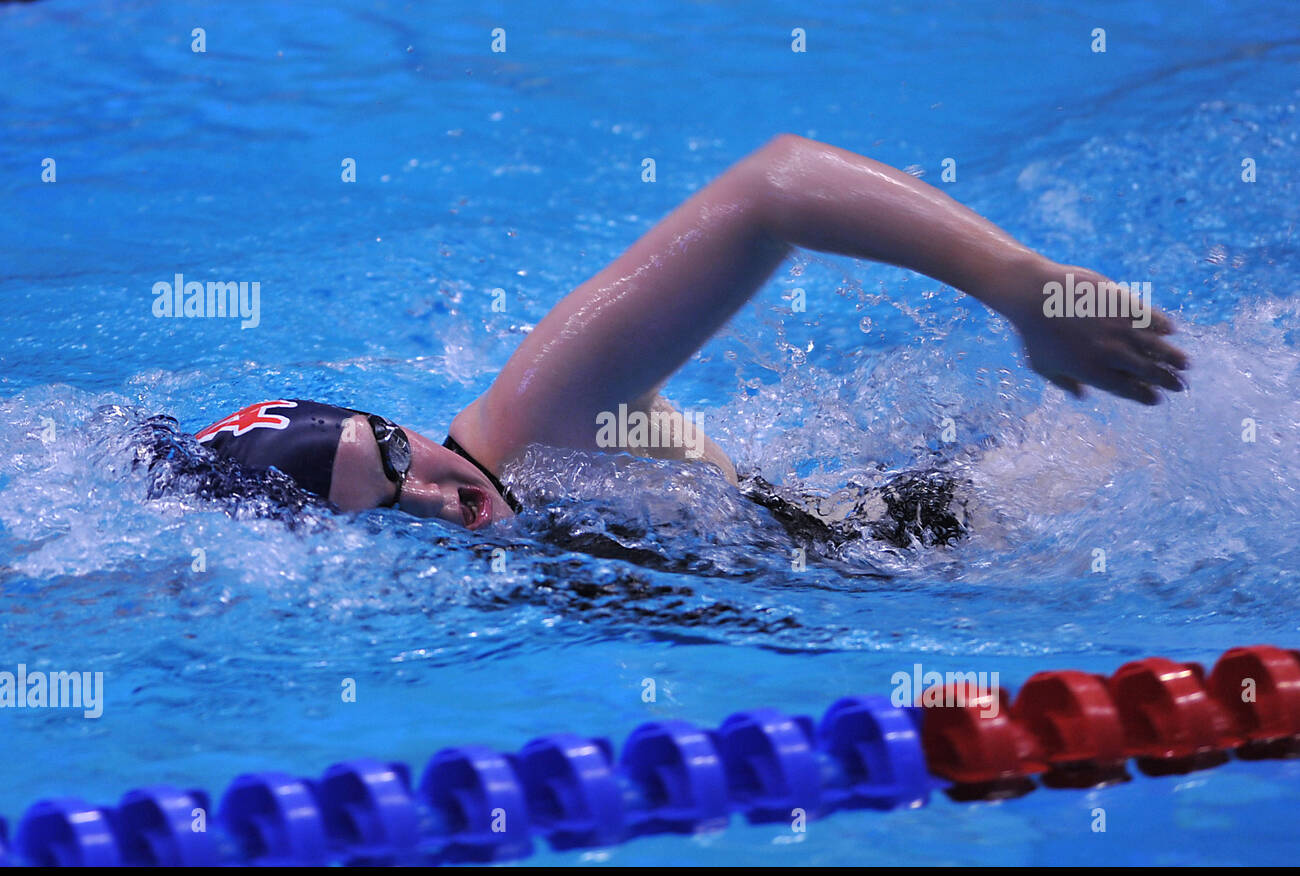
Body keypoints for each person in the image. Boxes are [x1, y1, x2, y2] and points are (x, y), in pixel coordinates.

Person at [191, 134, 1188, 537]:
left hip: (976, 521)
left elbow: (778, 183)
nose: (439, 491)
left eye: (399, 449)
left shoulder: (542, 415)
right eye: (390, 502)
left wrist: (1022, 291)